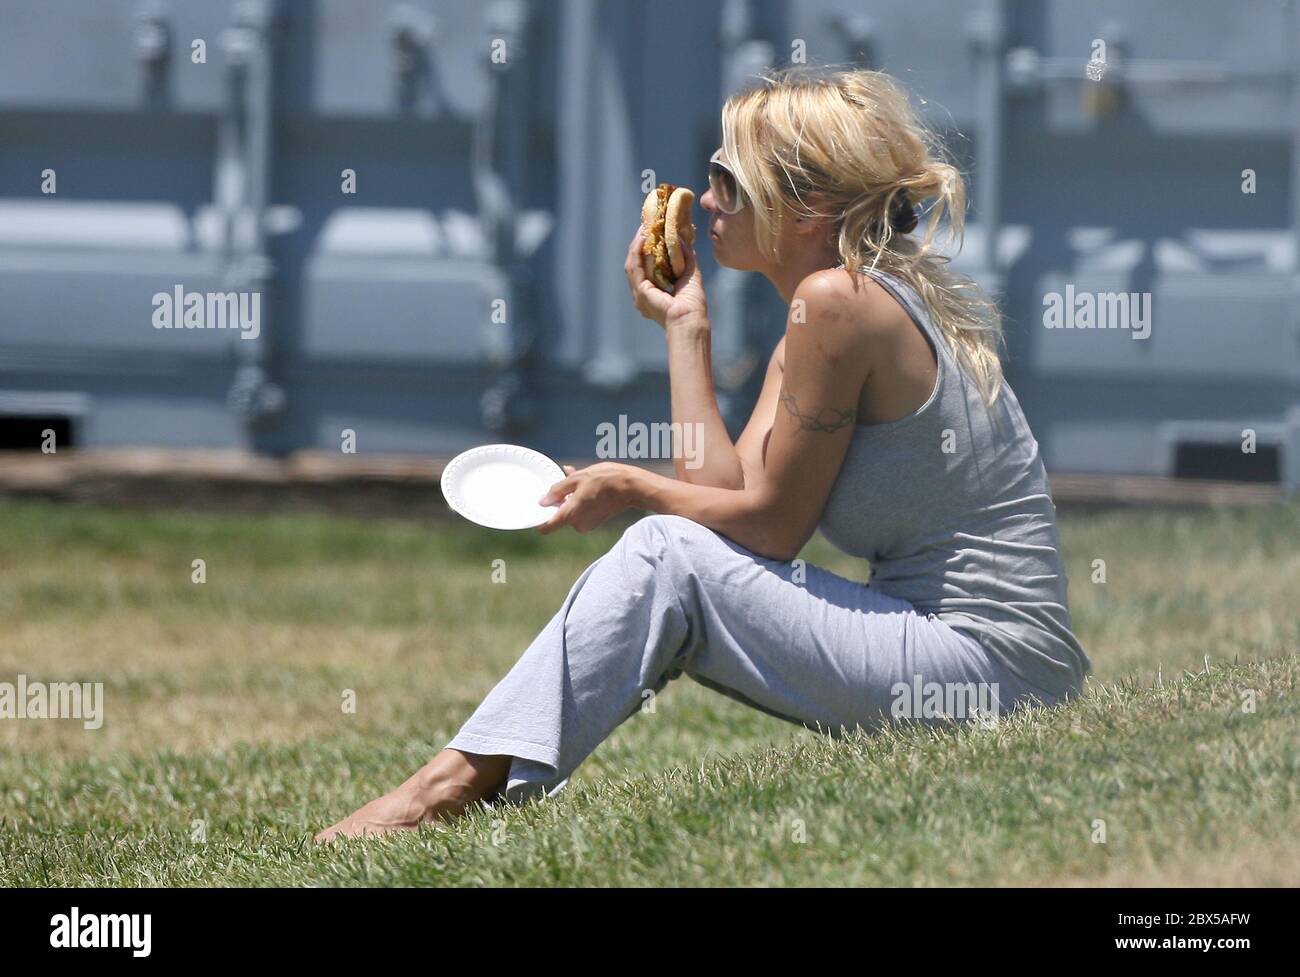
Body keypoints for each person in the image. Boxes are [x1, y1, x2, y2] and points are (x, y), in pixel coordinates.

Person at [316, 66, 1090, 843]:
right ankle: (466, 779)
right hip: (972, 662)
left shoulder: (839, 304)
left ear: (806, 209)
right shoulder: (829, 302)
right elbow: (725, 503)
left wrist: (631, 486)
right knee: (670, 553)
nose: (707, 198)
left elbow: (766, 529)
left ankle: (444, 790)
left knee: (661, 550)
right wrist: (686, 329)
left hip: (989, 672)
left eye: (729, 178)